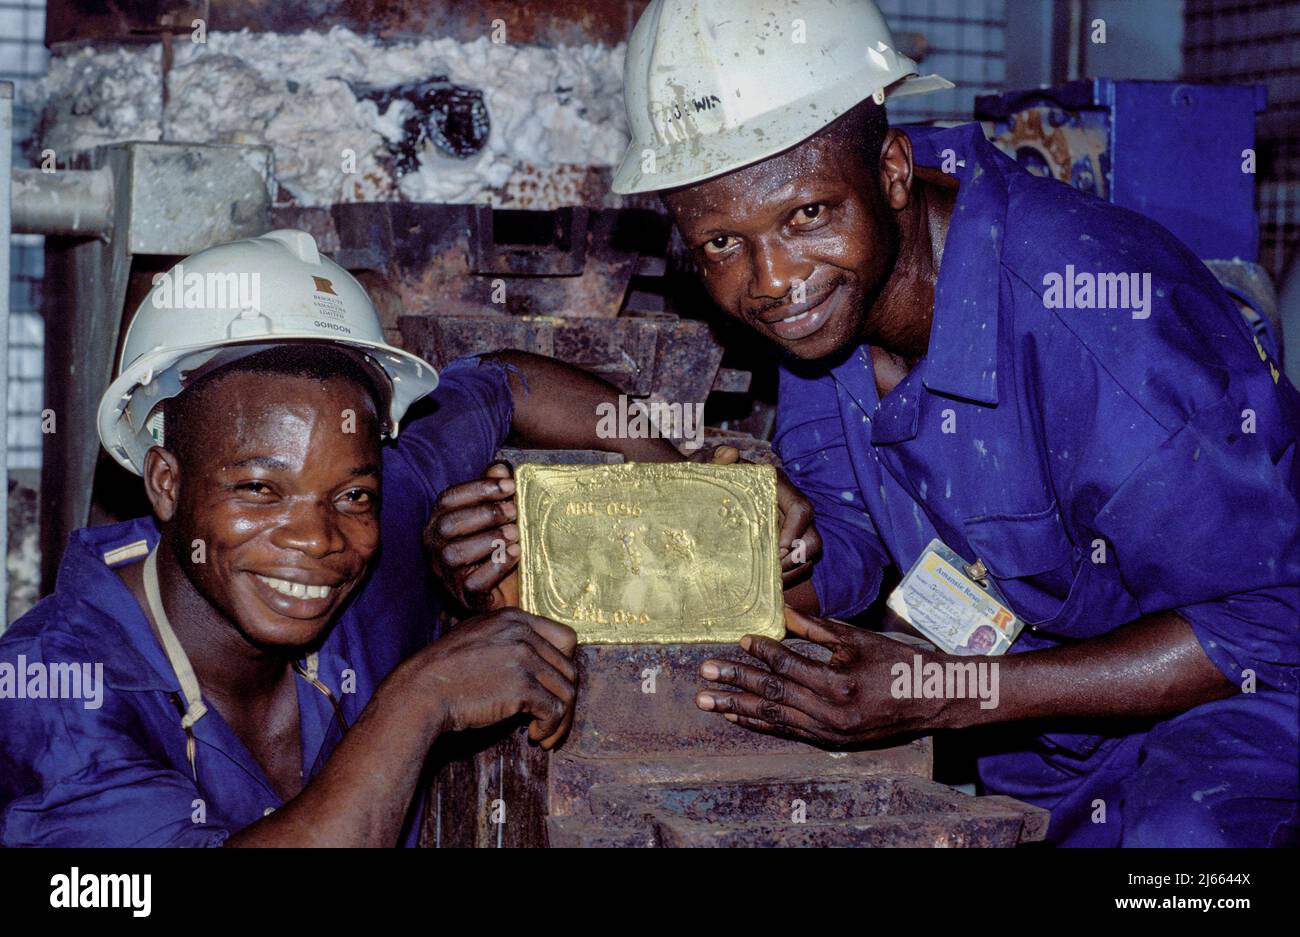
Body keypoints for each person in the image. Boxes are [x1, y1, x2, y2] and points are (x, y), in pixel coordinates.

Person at [603, 0, 1297, 847]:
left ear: (893, 170)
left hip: (1249, 711)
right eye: (718, 243)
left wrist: (951, 689)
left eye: (807, 215)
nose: (771, 280)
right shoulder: (825, 316)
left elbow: (1272, 618)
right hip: (1056, 735)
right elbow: (852, 545)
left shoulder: (1097, 319)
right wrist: (721, 544)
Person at [0, 228, 804, 846]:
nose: (315, 538)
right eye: (258, 489)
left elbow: (502, 382)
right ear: (167, 482)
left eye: (350, 491)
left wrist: (700, 488)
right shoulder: (55, 691)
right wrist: (421, 698)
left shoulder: (375, 525)